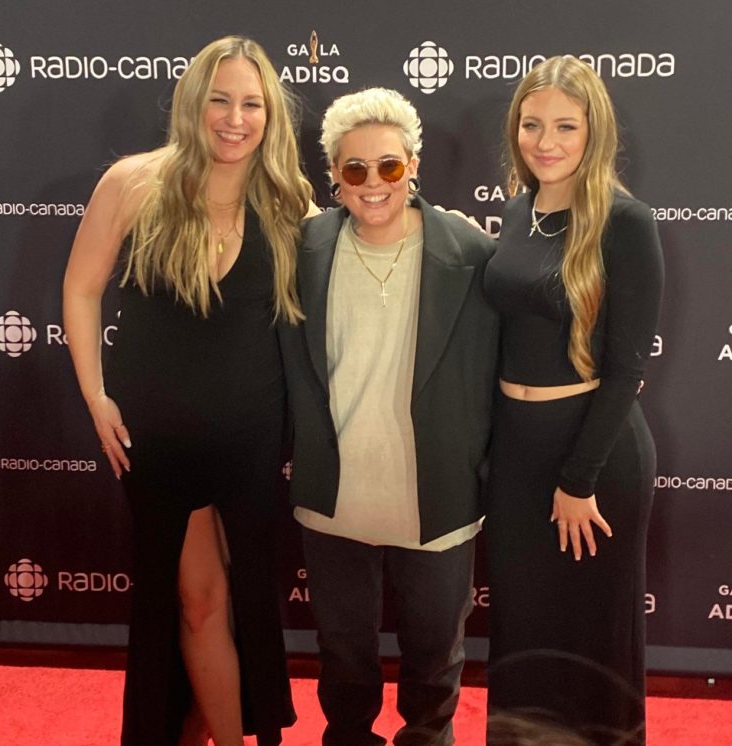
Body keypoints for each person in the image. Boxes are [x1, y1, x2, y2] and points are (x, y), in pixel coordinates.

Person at [62, 36, 317, 746]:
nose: (235, 119)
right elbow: (81, 288)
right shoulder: (134, 184)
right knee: (198, 600)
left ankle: (205, 728)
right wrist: (96, 396)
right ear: (192, 104)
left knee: (247, 602)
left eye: (252, 104)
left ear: (270, 114)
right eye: (220, 101)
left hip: (254, 438)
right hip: (159, 439)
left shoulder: (287, 201)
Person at [279, 87, 499, 746]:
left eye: (389, 167)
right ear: (334, 178)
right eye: (355, 170)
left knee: (436, 657)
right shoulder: (303, 250)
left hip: (437, 494)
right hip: (333, 496)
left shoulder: (470, 251)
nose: (373, 184)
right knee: (343, 655)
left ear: (413, 166)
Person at [483, 55, 663, 745]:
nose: (545, 140)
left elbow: (626, 368)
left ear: (595, 132)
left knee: (592, 640)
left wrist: (577, 479)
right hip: (519, 454)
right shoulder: (516, 210)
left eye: (565, 125)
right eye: (532, 124)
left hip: (591, 457)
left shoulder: (625, 220)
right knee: (523, 637)